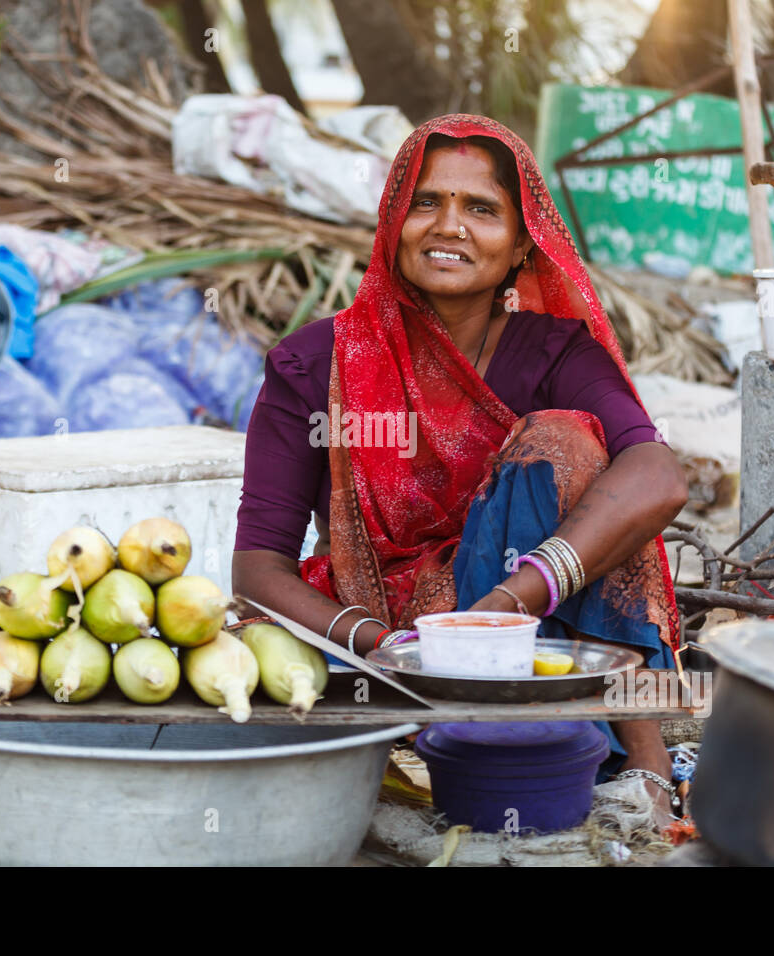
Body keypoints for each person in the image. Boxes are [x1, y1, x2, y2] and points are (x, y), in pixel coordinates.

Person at [232, 114, 689, 825]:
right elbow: (259, 566)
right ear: (393, 221)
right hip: (394, 631)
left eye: (481, 209)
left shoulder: (557, 354)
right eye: (426, 202)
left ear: (517, 249)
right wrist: (383, 646)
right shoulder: (313, 363)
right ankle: (502, 742)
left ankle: (641, 762)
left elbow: (658, 475)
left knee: (573, 446)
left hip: (528, 614)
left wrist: (507, 606)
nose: (450, 226)